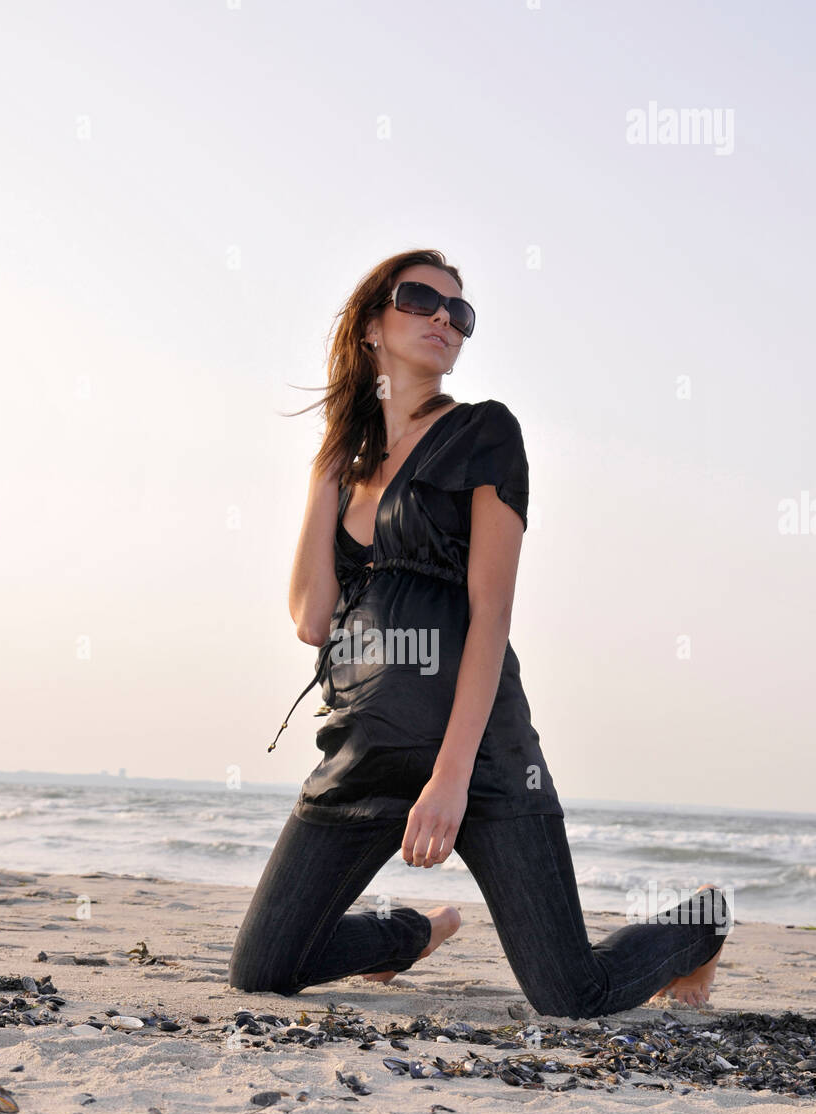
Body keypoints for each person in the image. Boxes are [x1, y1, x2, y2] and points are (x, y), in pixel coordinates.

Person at [227, 249, 729, 1017]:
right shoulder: (343, 462)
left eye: (458, 313)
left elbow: (491, 613)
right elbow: (310, 620)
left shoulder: (484, 433)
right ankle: (409, 935)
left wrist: (450, 777)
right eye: (421, 299)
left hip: (482, 761)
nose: (442, 319)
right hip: (362, 752)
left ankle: (699, 926)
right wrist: (326, 471)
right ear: (369, 325)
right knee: (263, 970)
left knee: (570, 993)